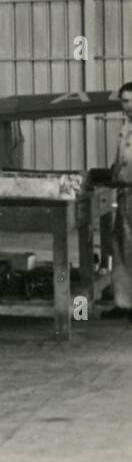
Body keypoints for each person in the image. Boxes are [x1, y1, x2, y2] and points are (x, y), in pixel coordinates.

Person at [104, 81, 132, 321]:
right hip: (124, 195)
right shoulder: (125, 127)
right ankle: (123, 304)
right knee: (122, 248)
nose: (129, 105)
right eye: (125, 100)